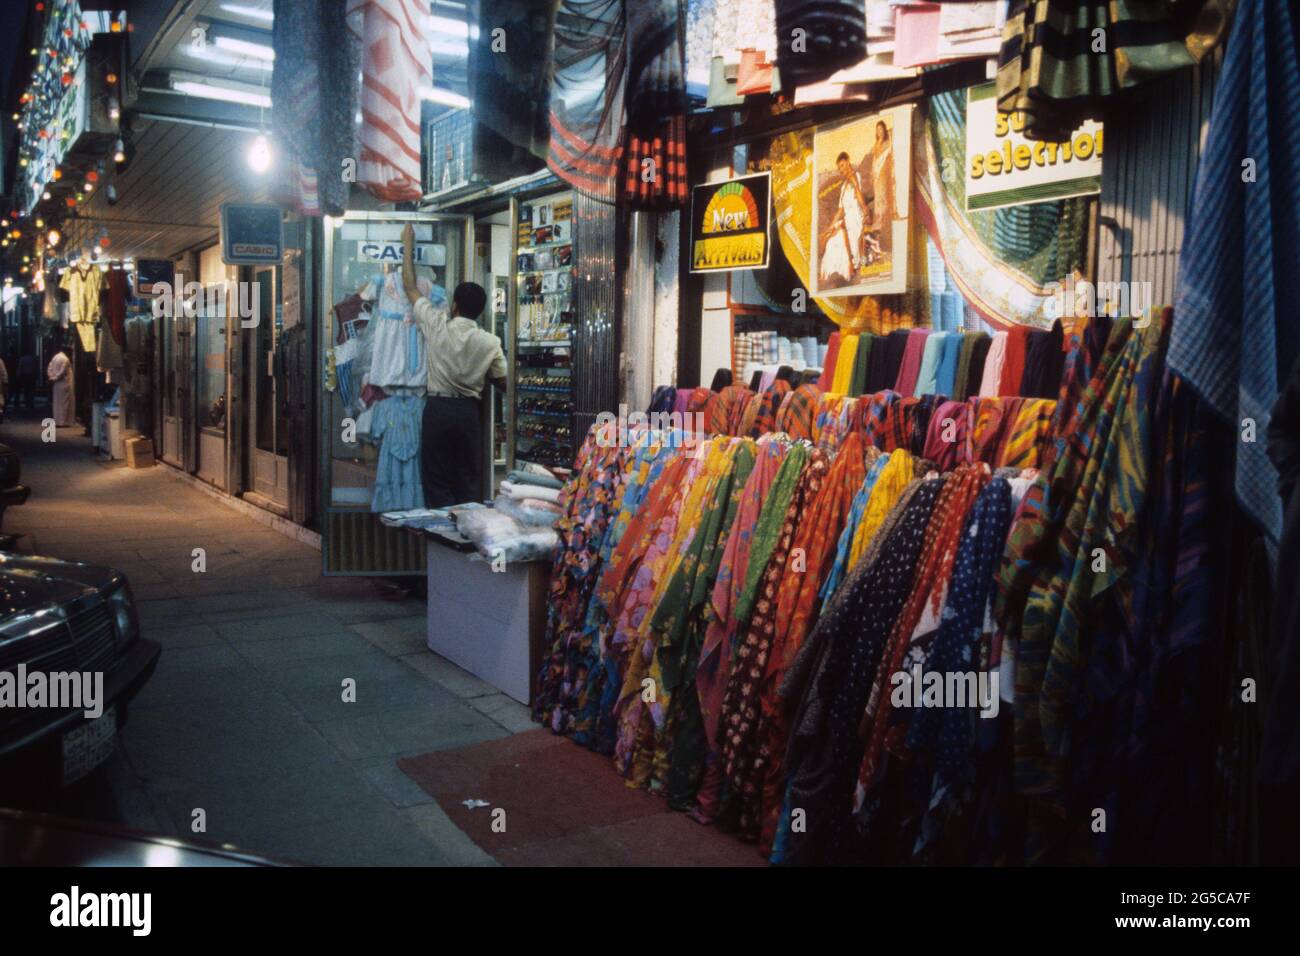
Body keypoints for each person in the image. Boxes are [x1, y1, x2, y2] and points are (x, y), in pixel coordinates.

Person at [400, 223, 507, 507]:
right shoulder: (490, 342)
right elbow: (505, 382)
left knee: (436, 479)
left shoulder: (437, 325)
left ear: (455, 305)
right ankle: (465, 533)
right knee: (467, 478)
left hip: (438, 410)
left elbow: (410, 286)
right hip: (469, 413)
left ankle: (440, 540)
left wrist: (407, 245)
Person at [818, 151, 868, 287]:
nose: (841, 169)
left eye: (843, 165)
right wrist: (831, 226)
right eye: (839, 167)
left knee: (840, 239)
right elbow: (840, 210)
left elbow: (858, 193)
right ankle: (833, 275)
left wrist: (865, 210)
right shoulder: (843, 186)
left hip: (856, 218)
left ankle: (845, 272)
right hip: (847, 218)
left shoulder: (854, 176)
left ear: (848, 162)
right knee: (830, 239)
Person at [47, 346, 75, 426]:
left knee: (57, 403)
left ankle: (57, 421)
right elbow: (62, 372)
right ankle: (63, 422)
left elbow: (50, 368)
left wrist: (52, 377)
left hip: (56, 385)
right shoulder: (65, 359)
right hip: (65, 383)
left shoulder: (55, 357)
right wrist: (56, 377)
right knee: (64, 403)